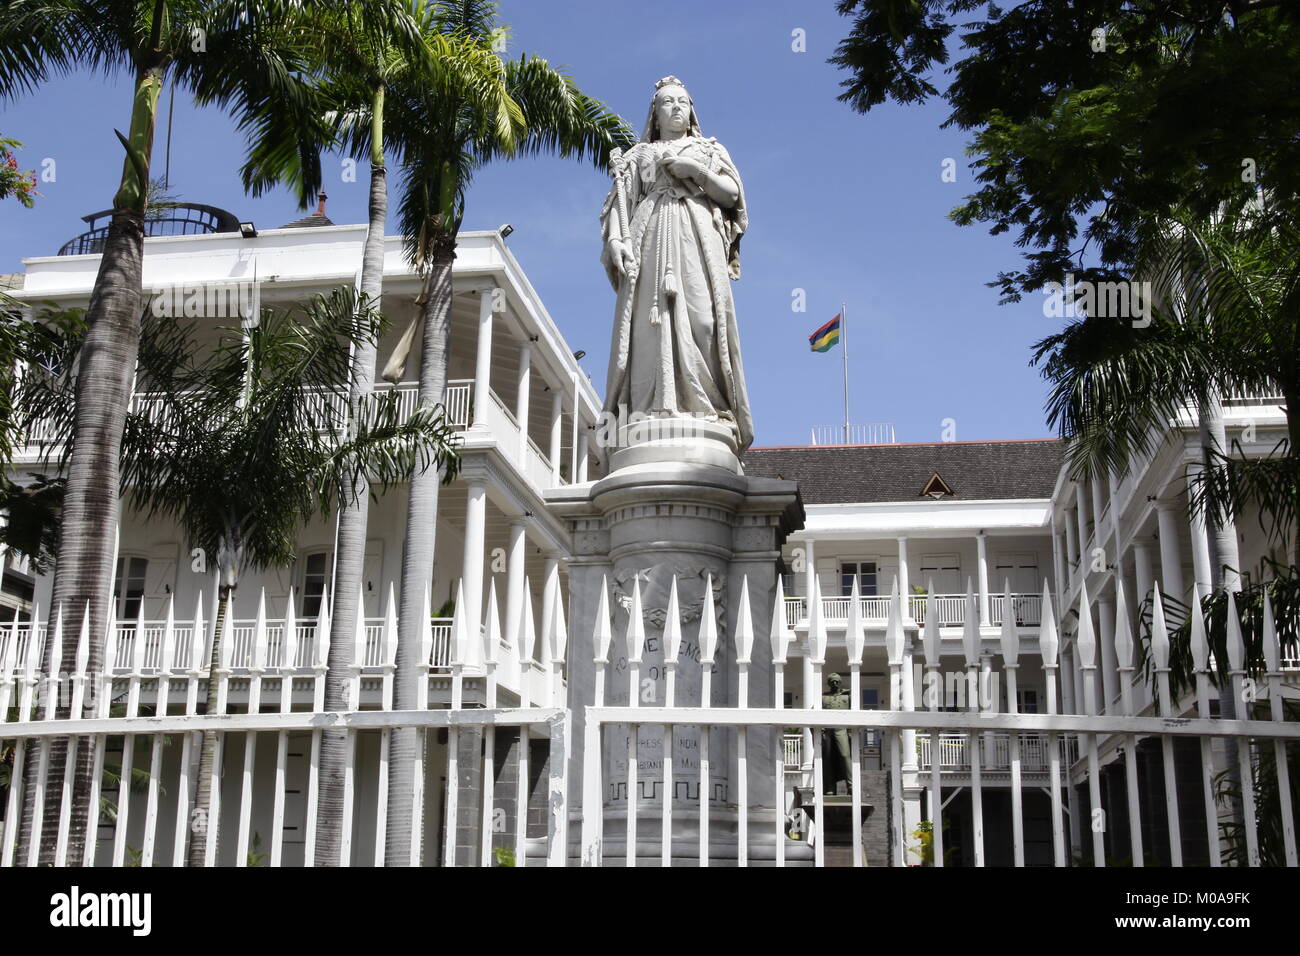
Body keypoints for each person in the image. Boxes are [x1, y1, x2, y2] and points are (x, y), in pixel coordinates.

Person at [600, 76, 754, 452]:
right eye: (667, 102)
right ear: (655, 112)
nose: (676, 108)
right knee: (647, 327)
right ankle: (648, 408)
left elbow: (732, 194)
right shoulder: (637, 156)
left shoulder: (710, 150)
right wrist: (617, 241)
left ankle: (709, 406)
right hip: (648, 235)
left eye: (683, 102)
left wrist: (694, 171)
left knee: (703, 320)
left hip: (697, 236)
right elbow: (618, 209)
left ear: (692, 110)